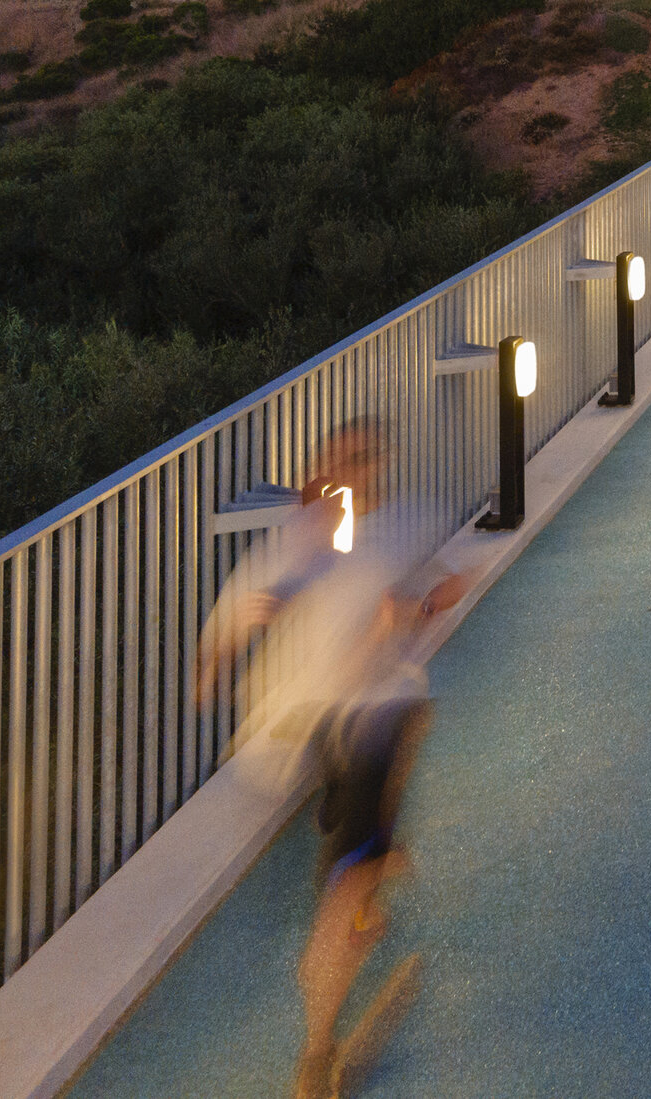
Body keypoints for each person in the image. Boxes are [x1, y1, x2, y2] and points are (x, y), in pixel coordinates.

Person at [195, 421, 472, 1099]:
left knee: (342, 893)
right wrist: (222, 653)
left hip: (383, 716)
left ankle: (319, 1038)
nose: (345, 472)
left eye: (358, 459)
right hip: (337, 729)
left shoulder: (402, 526)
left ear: (378, 465)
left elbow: (458, 578)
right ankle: (374, 879)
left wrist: (418, 607)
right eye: (336, 459)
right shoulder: (305, 537)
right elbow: (241, 609)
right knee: (346, 888)